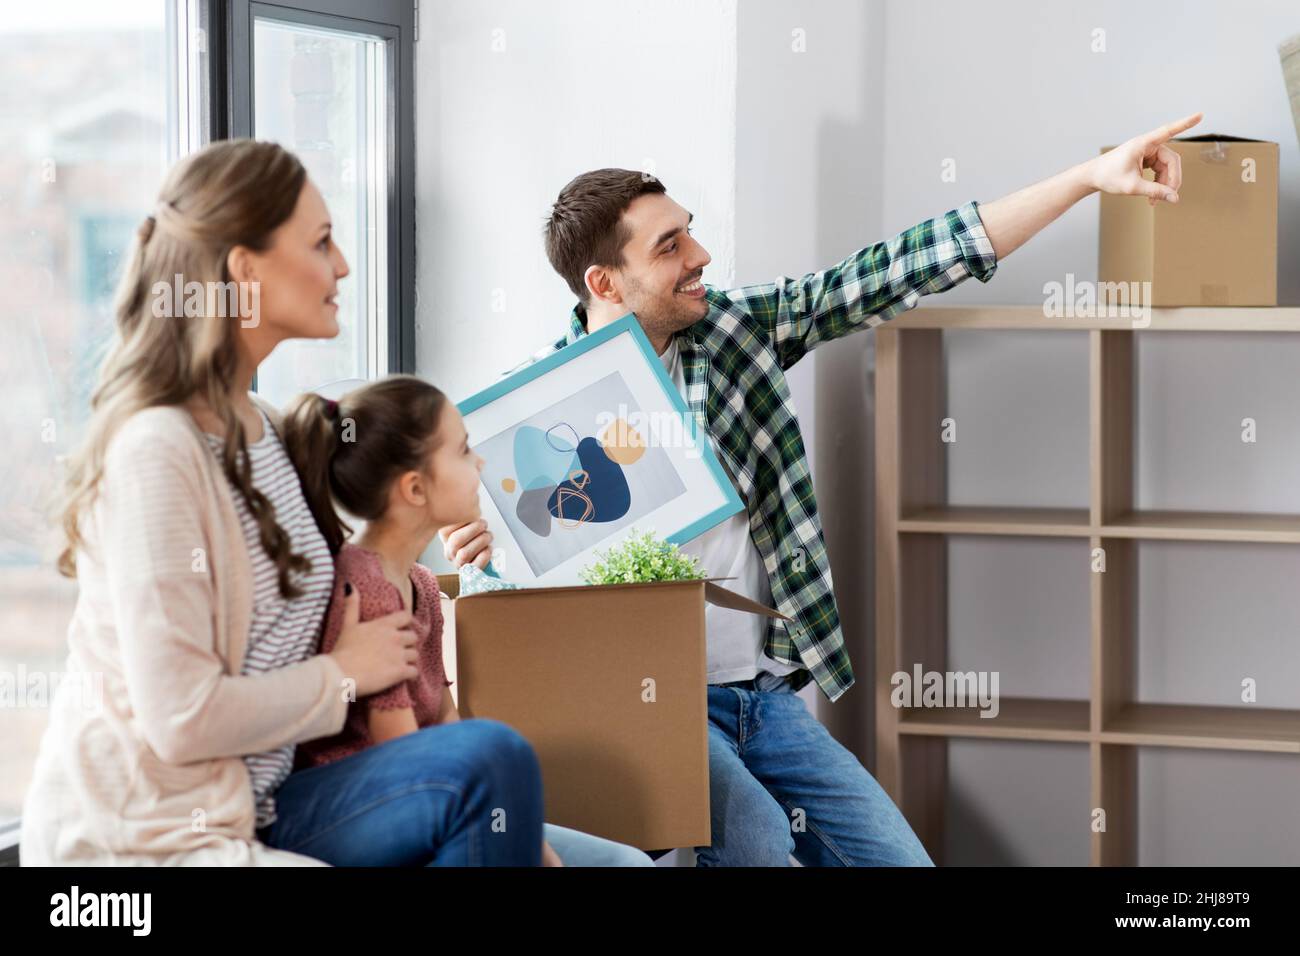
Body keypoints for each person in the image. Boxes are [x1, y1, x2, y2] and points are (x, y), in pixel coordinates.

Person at [439, 113, 1205, 865]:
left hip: (763, 695)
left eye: (691, 231)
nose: (700, 254)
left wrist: (1085, 180)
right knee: (761, 845)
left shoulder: (737, 332)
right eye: (670, 246)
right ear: (604, 280)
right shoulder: (522, 419)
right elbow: (490, 594)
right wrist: (476, 541)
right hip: (652, 701)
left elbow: (897, 267)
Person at [21, 139, 542, 866]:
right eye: (322, 242)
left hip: (263, 806)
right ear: (245, 269)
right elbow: (181, 717)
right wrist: (342, 676)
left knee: (596, 849)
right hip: (148, 842)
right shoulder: (158, 453)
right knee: (490, 758)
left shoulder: (263, 427)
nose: (344, 266)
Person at [270, 375, 654, 866]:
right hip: (377, 805)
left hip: (426, 784)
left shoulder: (423, 584)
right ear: (414, 487)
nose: (481, 463)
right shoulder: (364, 585)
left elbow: (445, 721)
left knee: (630, 864)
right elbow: (412, 761)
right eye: (464, 450)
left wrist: (541, 852)